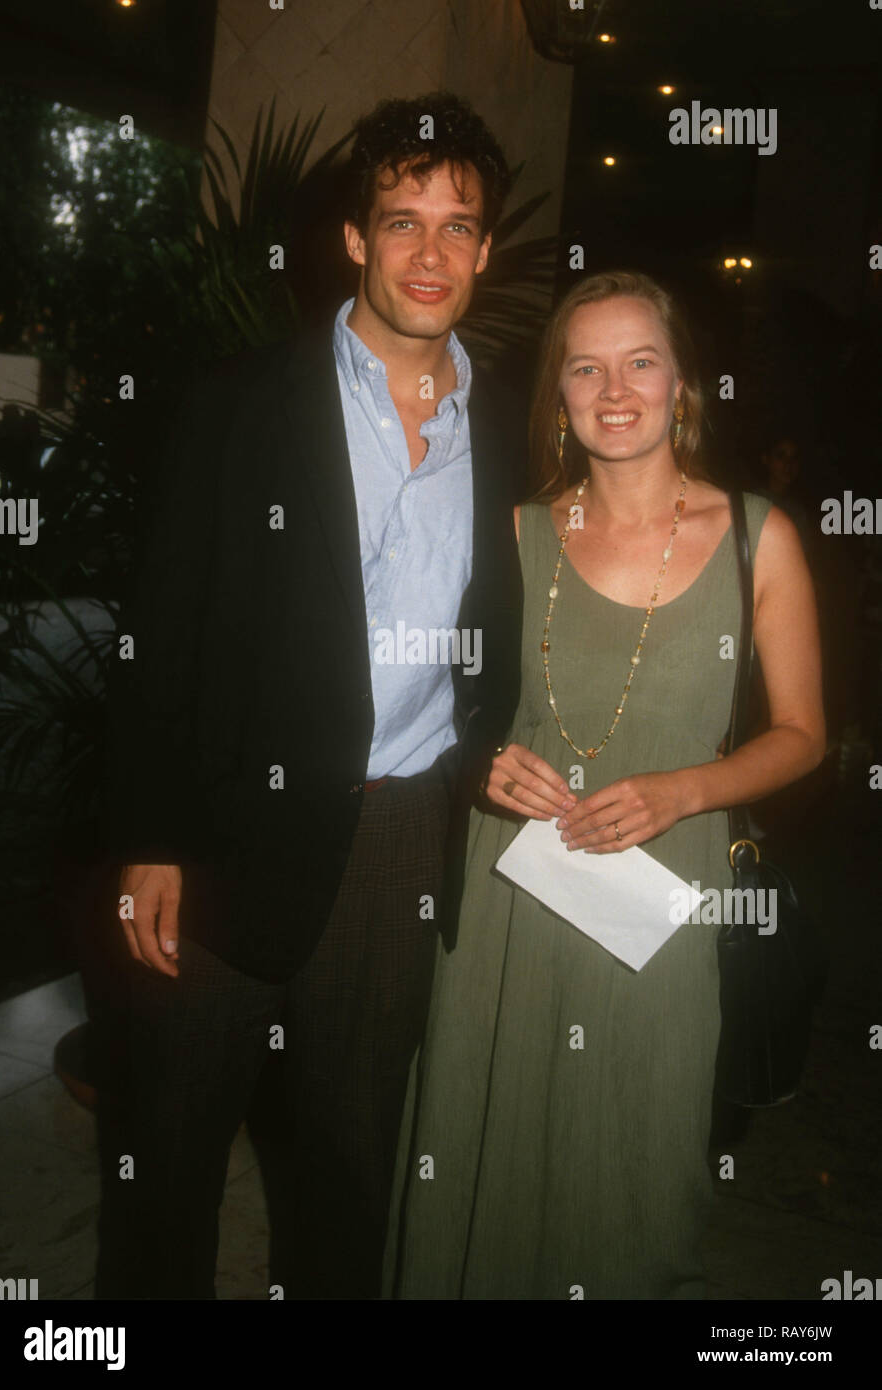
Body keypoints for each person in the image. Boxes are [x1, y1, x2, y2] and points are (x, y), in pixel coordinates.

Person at [95, 91, 524, 1300]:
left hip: (400, 836)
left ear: (485, 249)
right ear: (354, 238)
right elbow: (159, 634)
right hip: (227, 827)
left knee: (351, 1166)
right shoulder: (240, 403)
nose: (429, 254)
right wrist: (150, 837)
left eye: (457, 225)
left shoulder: (512, 420)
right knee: (168, 1158)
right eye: (401, 221)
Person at [383, 270, 825, 1300]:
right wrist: (482, 759)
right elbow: (449, 709)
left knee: (635, 1171)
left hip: (660, 905)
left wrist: (682, 790)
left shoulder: (759, 537)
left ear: (681, 386)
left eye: (639, 361)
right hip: (507, 896)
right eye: (585, 366)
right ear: (560, 393)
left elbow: (803, 736)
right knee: (484, 1160)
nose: (612, 387)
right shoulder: (515, 533)